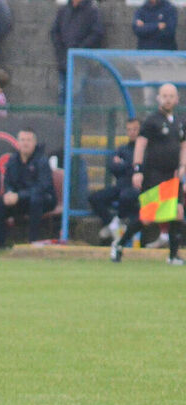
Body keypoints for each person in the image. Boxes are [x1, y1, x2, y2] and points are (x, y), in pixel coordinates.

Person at [111, 83, 186, 265]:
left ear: (177, 99)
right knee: (147, 217)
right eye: (164, 95)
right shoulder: (152, 120)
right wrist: (137, 169)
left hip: (172, 174)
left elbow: (183, 145)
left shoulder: (179, 121)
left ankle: (172, 255)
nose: (168, 99)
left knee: (178, 212)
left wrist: (183, 165)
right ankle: (119, 244)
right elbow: (141, 144)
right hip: (154, 174)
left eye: (171, 96)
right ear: (158, 98)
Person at [0, 128, 55, 249]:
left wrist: (19, 196)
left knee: (35, 200)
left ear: (35, 143)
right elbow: (8, 181)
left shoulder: (42, 160)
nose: (25, 143)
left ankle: (32, 241)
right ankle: (0, 244)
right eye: (22, 140)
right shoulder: (13, 160)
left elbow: (42, 186)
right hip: (18, 199)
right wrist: (9, 193)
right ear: (17, 142)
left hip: (44, 199)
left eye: (29, 140)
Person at [90, 117, 140, 242]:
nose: (132, 132)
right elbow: (112, 166)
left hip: (135, 188)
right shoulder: (123, 149)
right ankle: (113, 223)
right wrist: (130, 165)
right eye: (129, 129)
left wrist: (124, 165)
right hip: (120, 185)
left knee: (126, 196)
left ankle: (116, 225)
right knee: (94, 198)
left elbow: (140, 168)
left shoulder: (145, 149)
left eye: (135, 129)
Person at [50, 0, 104, 106]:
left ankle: (77, 121)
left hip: (81, 62)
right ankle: (62, 120)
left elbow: (97, 33)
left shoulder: (91, 11)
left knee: (78, 94)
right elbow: (54, 31)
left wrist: (80, 49)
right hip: (64, 61)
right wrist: (61, 50)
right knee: (63, 93)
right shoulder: (64, 10)